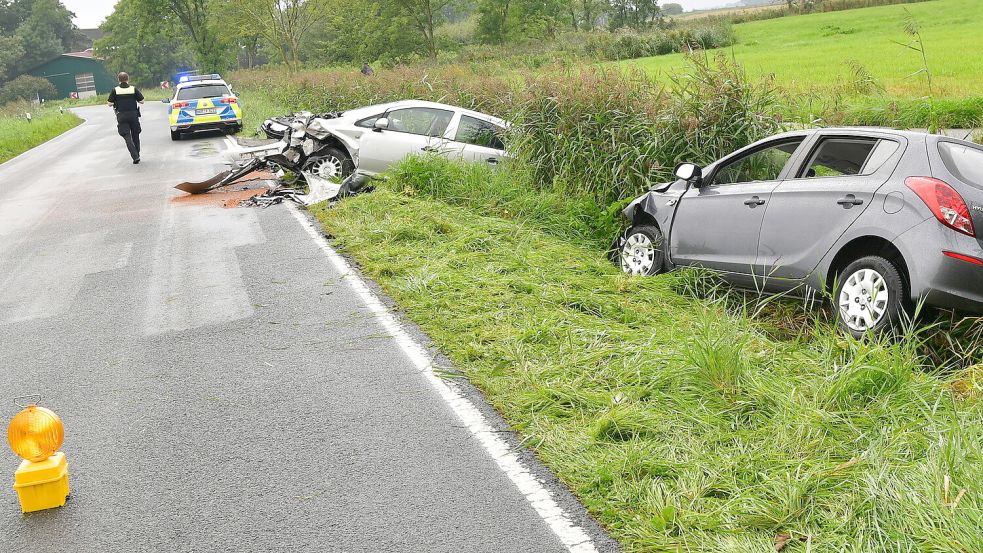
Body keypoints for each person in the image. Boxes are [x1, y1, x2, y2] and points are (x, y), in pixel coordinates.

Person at [107, 72, 145, 164]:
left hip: (121, 116)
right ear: (128, 79)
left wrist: (116, 101)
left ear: (118, 80)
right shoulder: (133, 89)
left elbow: (109, 103)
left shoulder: (115, 90)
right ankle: (137, 154)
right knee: (135, 135)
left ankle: (135, 157)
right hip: (133, 115)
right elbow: (142, 101)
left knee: (127, 137)